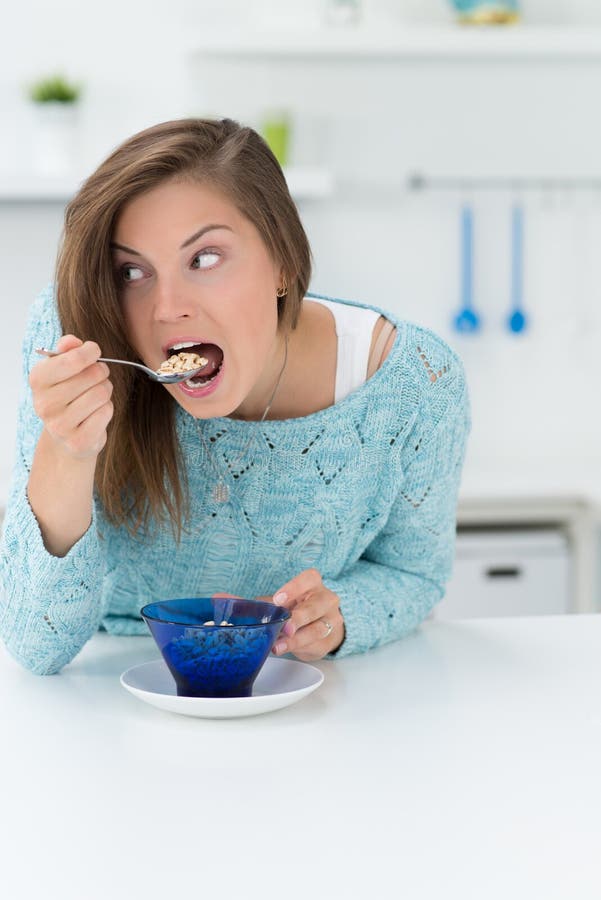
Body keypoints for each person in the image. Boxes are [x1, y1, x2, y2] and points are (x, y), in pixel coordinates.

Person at [0, 118, 470, 675]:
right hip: (112, 682)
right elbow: (35, 644)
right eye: (132, 271)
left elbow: (414, 576)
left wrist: (339, 619)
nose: (166, 308)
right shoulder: (75, 339)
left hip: (309, 693)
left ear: (283, 262)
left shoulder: (415, 384)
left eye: (204, 258)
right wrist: (67, 451)